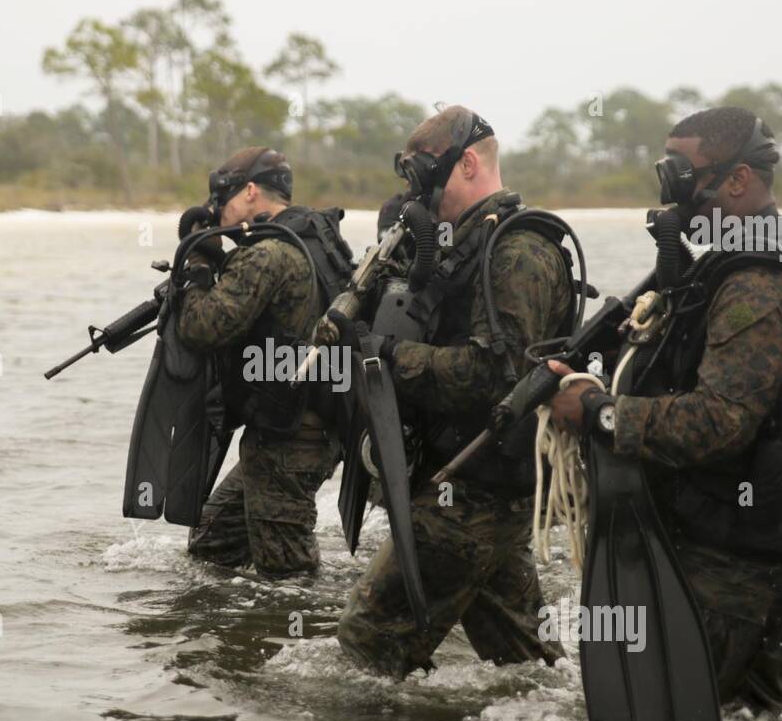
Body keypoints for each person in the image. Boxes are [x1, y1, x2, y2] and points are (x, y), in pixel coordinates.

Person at [549, 106, 782, 714]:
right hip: (779, 541)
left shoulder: (755, 283)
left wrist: (600, 412)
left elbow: (720, 421)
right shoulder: (769, 259)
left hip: (736, 556)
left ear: (737, 180)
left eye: (682, 176)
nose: (672, 192)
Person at [337, 106, 573, 677]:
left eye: (424, 177)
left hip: (474, 492)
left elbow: (495, 378)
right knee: (525, 664)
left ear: (468, 163)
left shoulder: (516, 253)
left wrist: (385, 353)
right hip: (475, 485)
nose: (417, 194)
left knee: (367, 646)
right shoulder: (463, 246)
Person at [178, 147, 349, 578]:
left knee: (287, 577)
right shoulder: (319, 238)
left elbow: (202, 327)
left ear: (251, 191)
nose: (218, 211)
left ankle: (311, 638)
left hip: (289, 438)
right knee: (213, 543)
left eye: (225, 199)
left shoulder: (268, 252)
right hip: (319, 425)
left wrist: (198, 265)